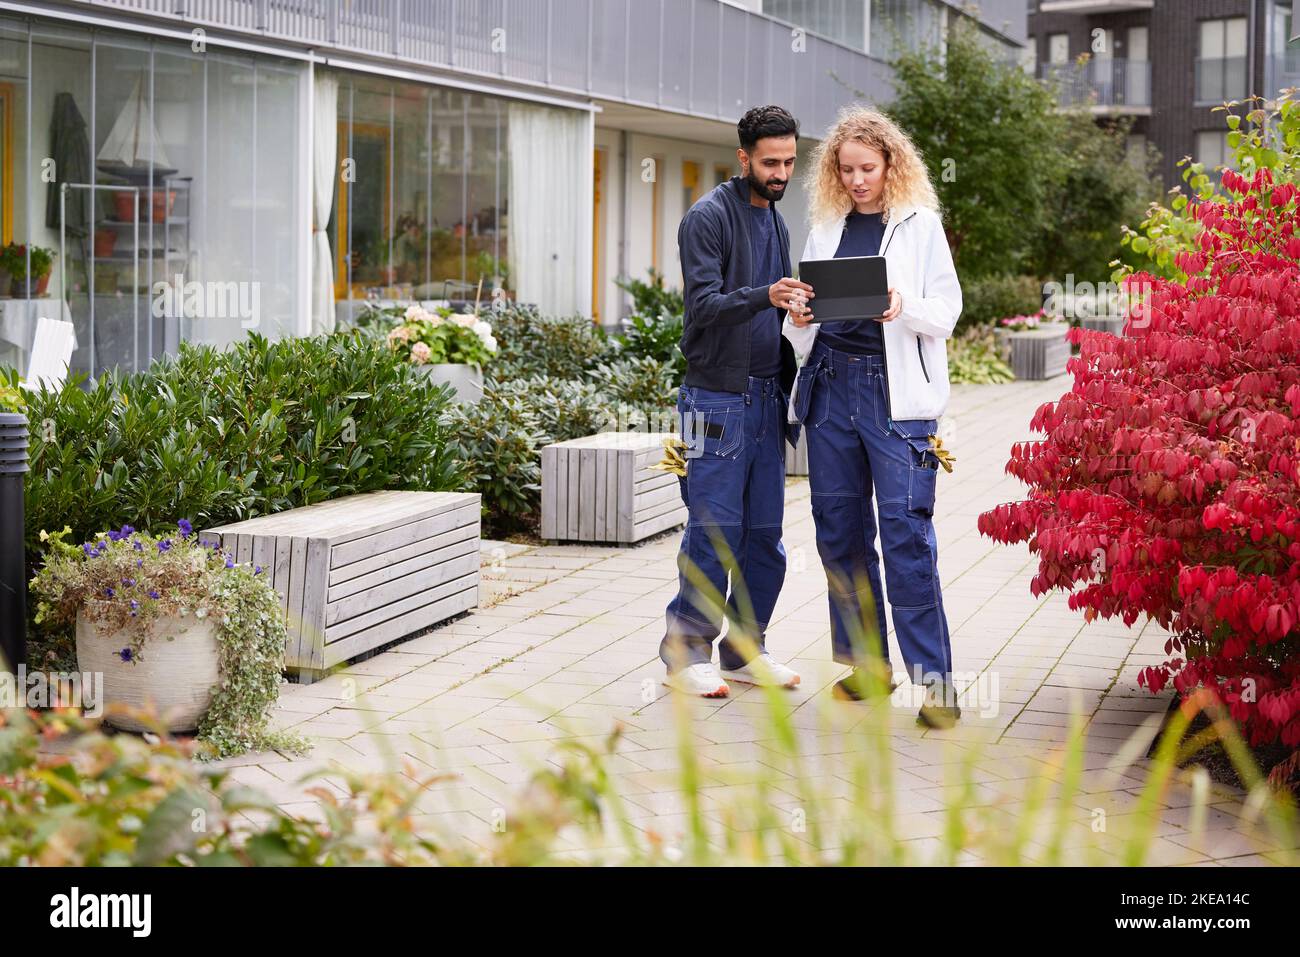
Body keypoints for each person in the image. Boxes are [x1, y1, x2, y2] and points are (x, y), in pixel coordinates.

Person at [783, 106, 963, 728]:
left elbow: (945, 312)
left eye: (868, 168)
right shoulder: (827, 226)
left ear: (891, 164)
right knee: (840, 533)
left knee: (906, 535)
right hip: (830, 387)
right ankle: (868, 667)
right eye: (846, 168)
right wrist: (798, 318)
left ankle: (936, 688)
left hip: (895, 400)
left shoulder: (920, 226)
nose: (857, 180)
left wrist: (900, 303)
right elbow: (801, 319)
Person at [659, 105, 812, 698]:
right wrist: (764, 295)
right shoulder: (706, 218)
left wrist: (794, 308)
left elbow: (769, 305)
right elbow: (703, 307)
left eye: (789, 163)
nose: (780, 173)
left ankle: (746, 650)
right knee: (712, 528)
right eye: (770, 162)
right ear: (743, 157)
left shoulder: (775, 220)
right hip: (714, 400)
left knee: (763, 534)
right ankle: (685, 653)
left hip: (767, 396)